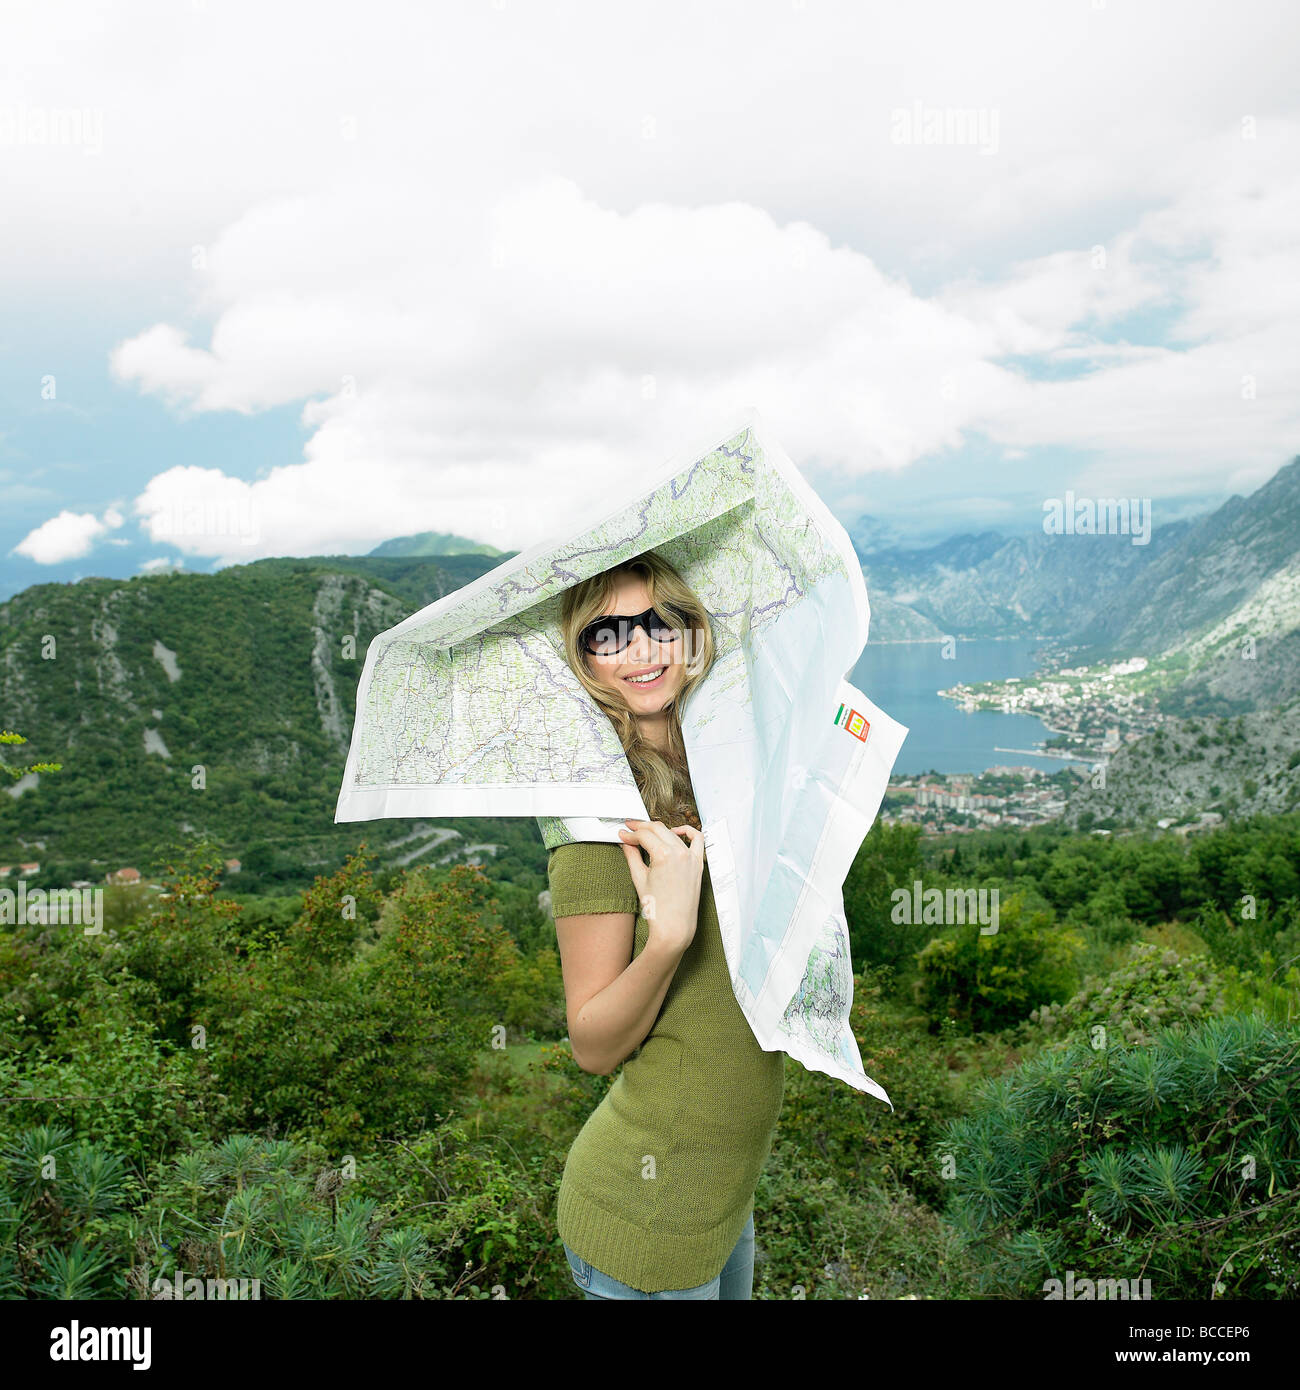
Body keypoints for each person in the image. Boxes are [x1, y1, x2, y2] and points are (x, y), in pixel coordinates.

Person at [549, 549, 785, 1300]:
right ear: (583, 656)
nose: (642, 650)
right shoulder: (595, 819)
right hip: (643, 1222)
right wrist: (669, 939)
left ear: (691, 631)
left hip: (720, 1202)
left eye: (658, 622)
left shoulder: (724, 768)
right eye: (608, 633)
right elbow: (591, 1042)